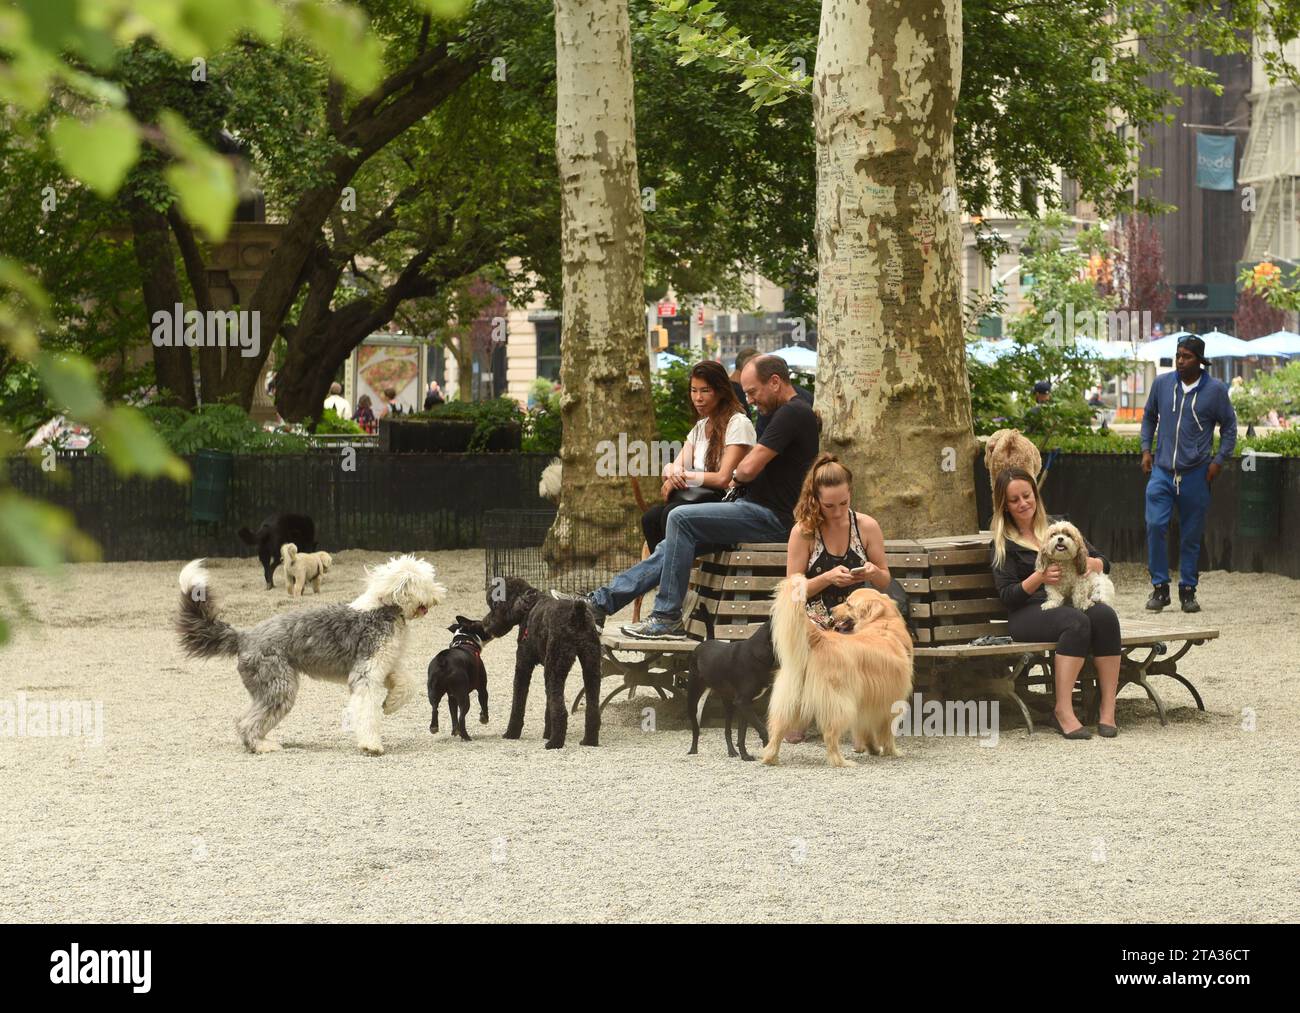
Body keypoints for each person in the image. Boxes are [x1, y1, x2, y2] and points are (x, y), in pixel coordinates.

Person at [560, 354, 820, 639]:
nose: (749, 400)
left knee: (680, 518)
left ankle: (667, 616)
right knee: (669, 546)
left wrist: (737, 474)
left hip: (772, 517)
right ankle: (599, 604)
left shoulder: (792, 412)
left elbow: (746, 468)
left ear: (774, 382)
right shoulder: (779, 413)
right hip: (753, 510)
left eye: (752, 392)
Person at [781, 453, 910, 742]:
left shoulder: (866, 526)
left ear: (850, 493)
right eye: (829, 505)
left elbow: (886, 579)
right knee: (817, 637)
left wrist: (872, 571)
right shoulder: (804, 531)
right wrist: (827, 578)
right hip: (815, 613)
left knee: (870, 637)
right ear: (815, 499)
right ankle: (804, 708)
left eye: (843, 503)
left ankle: (862, 715)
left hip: (857, 612)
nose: (837, 512)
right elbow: (794, 590)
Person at [989, 466, 1121, 738]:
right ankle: (1062, 711)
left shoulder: (1058, 527)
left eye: (1027, 495)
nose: (1023, 503)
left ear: (1035, 494)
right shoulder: (1003, 543)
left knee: (1105, 616)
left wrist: (1091, 564)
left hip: (1067, 602)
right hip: (1027, 613)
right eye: (1014, 500)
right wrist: (1039, 577)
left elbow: (1103, 561)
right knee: (1076, 621)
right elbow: (1008, 597)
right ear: (1005, 506)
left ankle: (1108, 708)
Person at [1140, 335, 1237, 613]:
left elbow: (1229, 427)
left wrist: (1218, 461)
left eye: (1186, 356)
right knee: (1156, 525)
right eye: (1178, 355)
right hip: (1162, 471)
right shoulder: (1162, 383)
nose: (1180, 361)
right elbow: (1149, 416)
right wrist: (1146, 449)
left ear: (1199, 361)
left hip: (1196, 473)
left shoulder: (1215, 390)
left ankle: (1187, 590)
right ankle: (1160, 588)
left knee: (1191, 534)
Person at [643, 361, 755, 552]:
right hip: (699, 497)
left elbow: (723, 478)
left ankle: (674, 571)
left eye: (705, 391)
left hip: (727, 502)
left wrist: (684, 476)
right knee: (651, 518)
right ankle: (665, 574)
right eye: (694, 391)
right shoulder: (700, 427)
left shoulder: (738, 424)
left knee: (671, 513)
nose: (698, 398)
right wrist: (672, 471)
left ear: (720, 392)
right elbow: (676, 466)